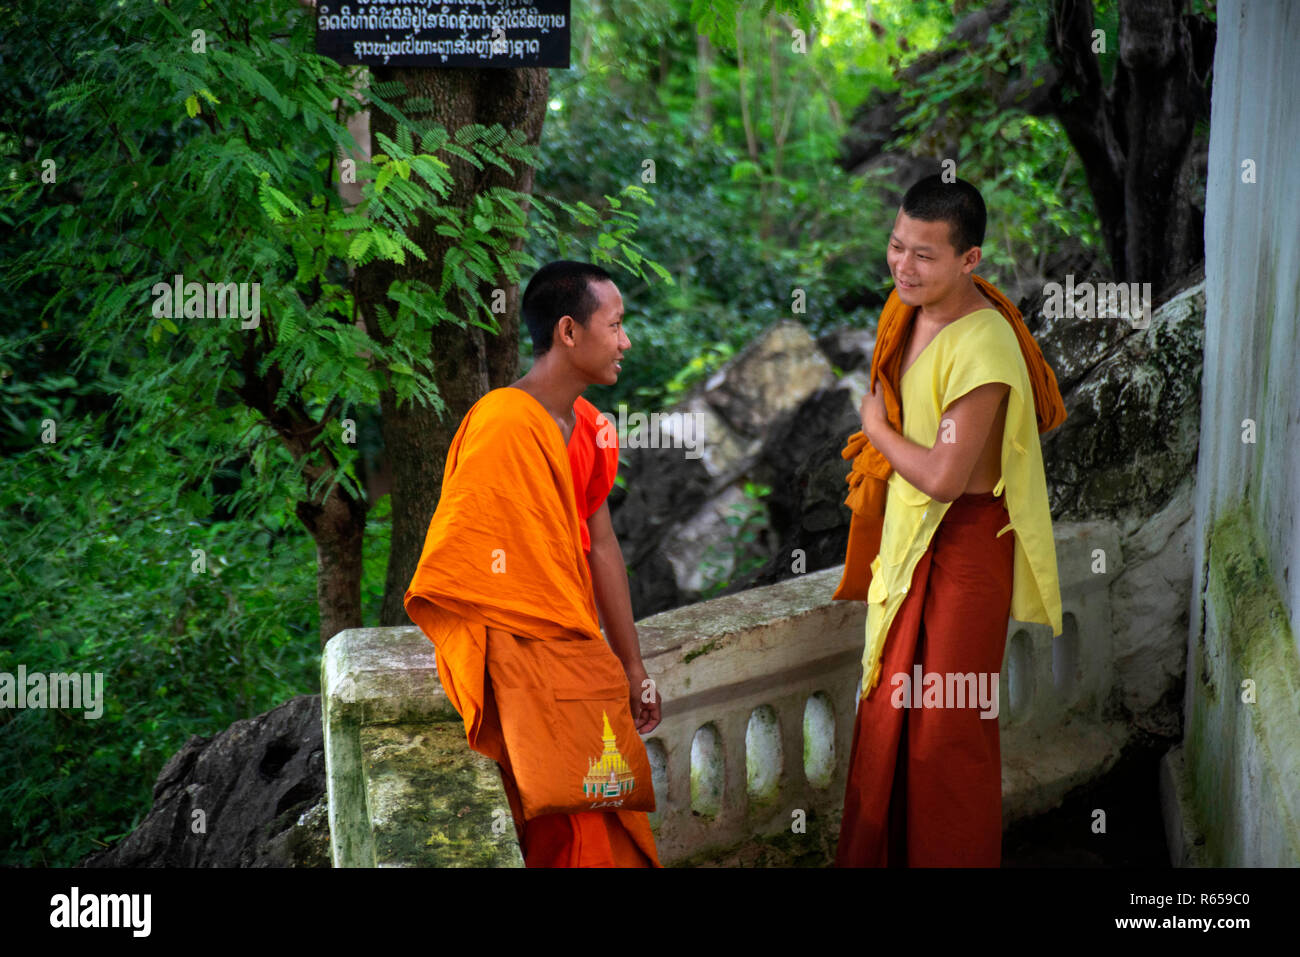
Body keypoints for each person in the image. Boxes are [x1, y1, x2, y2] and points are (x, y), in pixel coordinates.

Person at [833, 175, 1068, 867]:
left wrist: (874, 428)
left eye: (925, 255)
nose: (904, 266)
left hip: (967, 546)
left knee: (947, 729)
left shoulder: (986, 345)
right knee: (888, 719)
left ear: (970, 261)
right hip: (911, 541)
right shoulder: (905, 307)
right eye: (896, 247)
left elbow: (944, 475)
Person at [404, 260, 662, 868]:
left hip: (575, 652)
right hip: (524, 661)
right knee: (558, 821)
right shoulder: (502, 421)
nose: (625, 342)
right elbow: (470, 565)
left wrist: (631, 663)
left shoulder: (594, 430)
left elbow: (601, 550)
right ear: (568, 332)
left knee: (602, 806)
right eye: (616, 326)